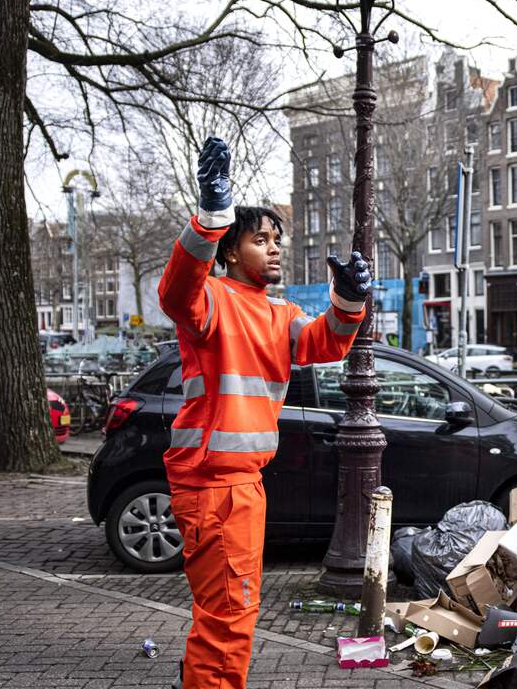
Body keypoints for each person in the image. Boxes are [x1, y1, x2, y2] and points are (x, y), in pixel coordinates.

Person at [159, 137, 371, 689]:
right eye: (260, 240)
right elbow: (176, 292)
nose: (274, 250)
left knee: (228, 615)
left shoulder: (280, 313)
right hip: (215, 487)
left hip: (238, 486)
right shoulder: (212, 298)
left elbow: (326, 342)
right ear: (230, 252)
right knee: (229, 620)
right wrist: (211, 216)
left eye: (277, 240)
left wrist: (350, 299)